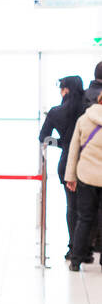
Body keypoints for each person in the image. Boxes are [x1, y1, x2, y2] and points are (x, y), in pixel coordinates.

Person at [40, 76, 89, 261]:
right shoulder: (88, 110)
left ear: (66, 90)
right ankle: (86, 247)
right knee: (88, 209)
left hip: (66, 162)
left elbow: (43, 137)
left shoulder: (56, 112)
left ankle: (72, 247)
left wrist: (62, 143)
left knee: (72, 206)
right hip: (87, 163)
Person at [64, 92, 102, 271]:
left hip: (86, 175)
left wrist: (70, 177)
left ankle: (76, 260)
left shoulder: (84, 119)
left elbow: (73, 150)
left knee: (84, 218)